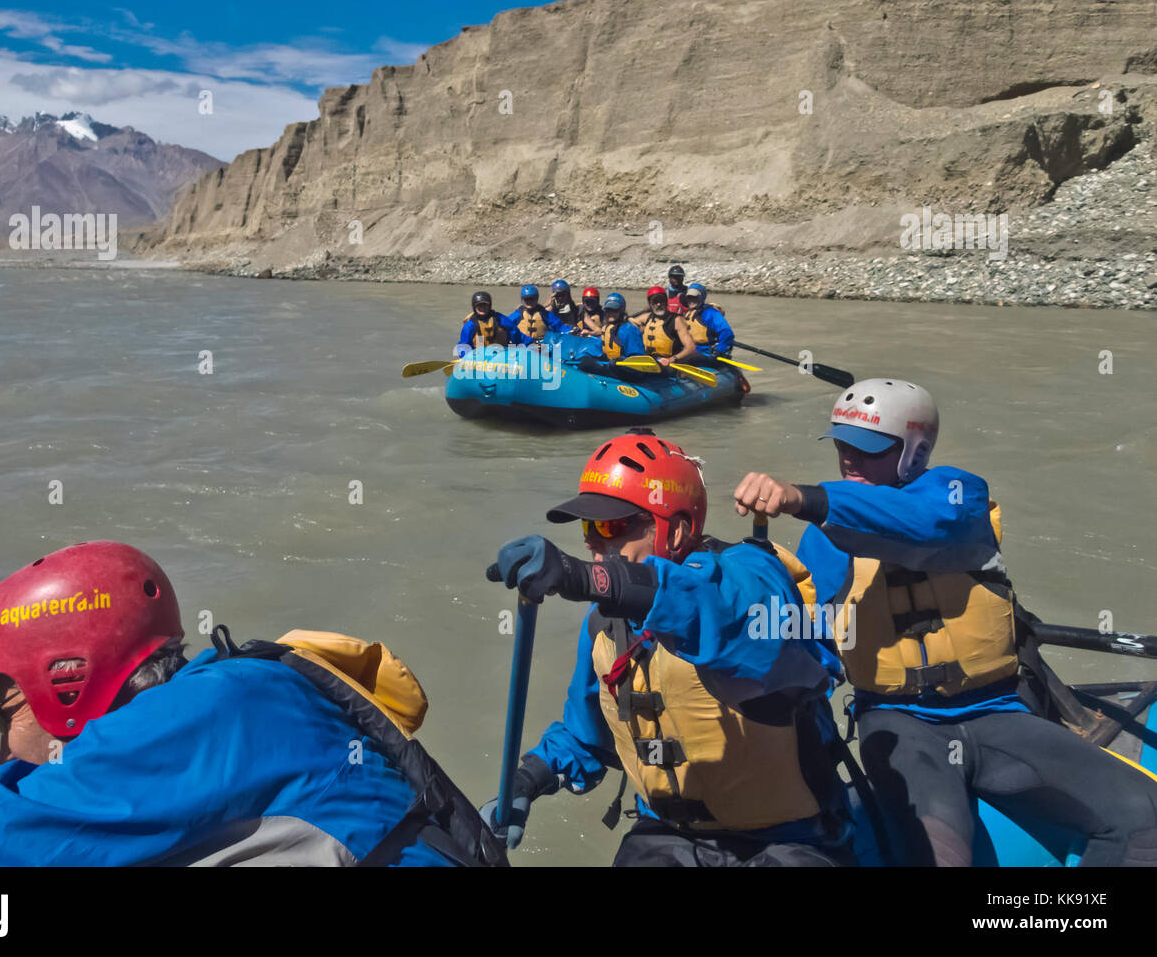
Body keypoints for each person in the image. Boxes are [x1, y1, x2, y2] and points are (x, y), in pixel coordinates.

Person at [0, 541, 503, 866]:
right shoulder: (240, 689)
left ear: (68, 685)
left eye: (6, 714)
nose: (2, 753)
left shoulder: (195, 723)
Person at [732, 380, 1157, 867]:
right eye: (843, 447)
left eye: (868, 450)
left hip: (998, 712)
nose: (850, 460)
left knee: (1144, 818)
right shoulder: (824, 540)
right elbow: (819, 642)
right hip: (900, 722)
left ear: (914, 451)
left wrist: (804, 498)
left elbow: (926, 522)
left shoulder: (960, 498)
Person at [481, 431, 853, 866]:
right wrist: (525, 782)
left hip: (789, 837)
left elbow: (724, 614)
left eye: (611, 525)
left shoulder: (753, 575)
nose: (592, 542)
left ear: (675, 531)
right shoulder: (606, 624)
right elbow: (589, 737)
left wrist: (588, 579)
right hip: (669, 834)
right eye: (588, 527)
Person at [574, 292, 644, 373]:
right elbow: (598, 346)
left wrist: (621, 360)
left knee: (587, 365)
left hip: (628, 370)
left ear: (621, 311)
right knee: (585, 362)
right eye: (608, 310)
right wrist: (582, 355)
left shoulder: (629, 329)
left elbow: (637, 356)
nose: (610, 313)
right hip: (613, 365)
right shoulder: (607, 328)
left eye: (614, 310)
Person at [631, 286, 698, 369]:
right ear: (650, 304)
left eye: (661, 301)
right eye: (655, 302)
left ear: (666, 302)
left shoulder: (677, 320)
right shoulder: (645, 318)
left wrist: (672, 359)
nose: (658, 304)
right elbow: (627, 326)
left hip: (668, 364)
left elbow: (691, 347)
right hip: (649, 361)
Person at [680, 283, 735, 359]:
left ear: (701, 298)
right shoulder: (688, 313)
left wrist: (720, 349)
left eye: (694, 297)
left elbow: (726, 332)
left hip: (707, 353)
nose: (691, 300)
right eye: (689, 297)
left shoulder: (710, 313)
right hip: (692, 350)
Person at [459, 290, 528, 350]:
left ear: (489, 306)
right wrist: (466, 356)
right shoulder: (470, 325)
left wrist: (531, 342)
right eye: (479, 305)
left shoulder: (500, 319)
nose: (482, 308)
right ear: (474, 307)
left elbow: (517, 335)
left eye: (485, 305)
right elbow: (464, 345)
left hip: (501, 356)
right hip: (479, 359)